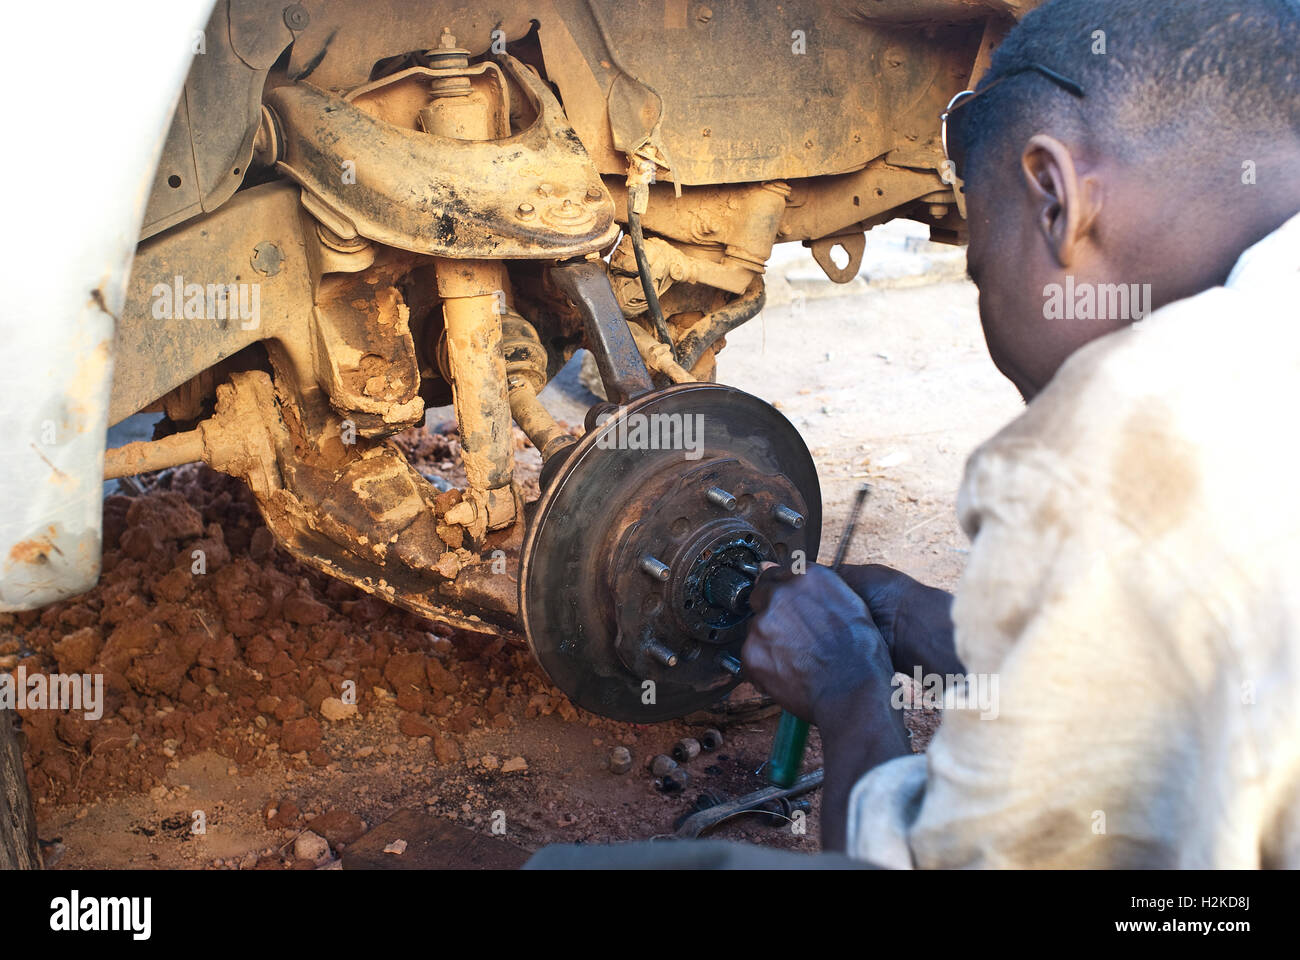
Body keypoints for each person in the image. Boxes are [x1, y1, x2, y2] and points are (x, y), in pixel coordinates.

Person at [743, 0, 1300, 867]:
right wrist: (946, 630)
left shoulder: (1124, 442)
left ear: (1057, 197)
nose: (989, 317)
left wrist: (849, 695)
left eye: (978, 267)